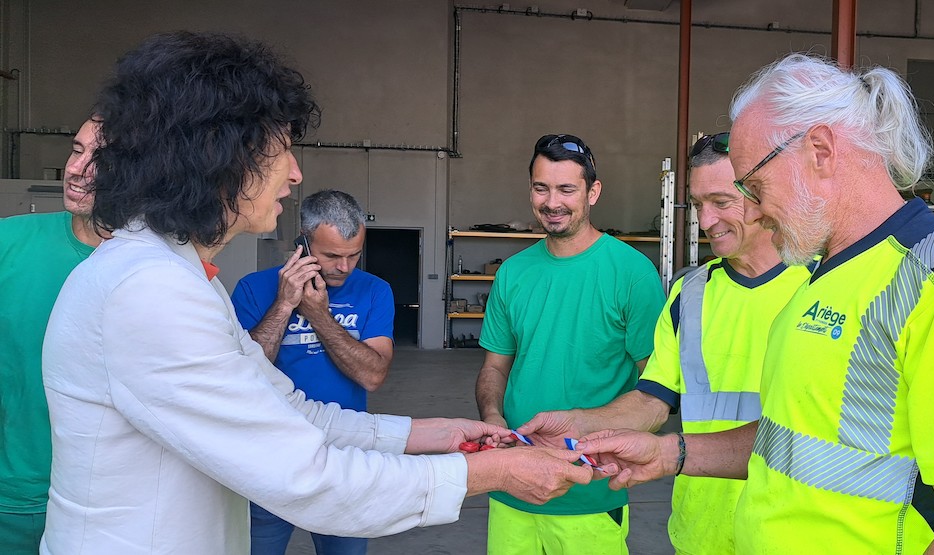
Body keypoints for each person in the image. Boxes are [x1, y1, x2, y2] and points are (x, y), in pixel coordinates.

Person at [40, 31, 593, 555]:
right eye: (284, 150)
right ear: (223, 160)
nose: (296, 173)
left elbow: (297, 415)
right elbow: (306, 477)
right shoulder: (148, 291)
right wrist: (494, 473)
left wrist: (445, 434)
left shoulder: (176, 276)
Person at [576, 53, 934, 554]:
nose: (749, 211)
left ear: (819, 149)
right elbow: (788, 440)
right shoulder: (818, 279)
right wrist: (669, 453)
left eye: (753, 187)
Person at [515, 132, 809, 554]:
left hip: (793, 531)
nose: (706, 221)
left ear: (763, 194)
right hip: (702, 530)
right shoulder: (689, 295)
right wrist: (578, 424)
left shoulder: (822, 287)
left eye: (722, 202)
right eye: (698, 203)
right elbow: (653, 400)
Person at [475, 133, 666, 554]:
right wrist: (493, 418)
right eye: (541, 188)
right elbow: (494, 367)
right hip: (513, 485)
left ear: (593, 192)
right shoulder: (513, 273)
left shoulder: (632, 274)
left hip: (590, 495)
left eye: (566, 189)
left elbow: (655, 391)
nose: (552, 202)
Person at [232, 189, 394, 555]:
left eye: (354, 255)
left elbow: (373, 375)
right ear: (303, 243)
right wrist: (286, 303)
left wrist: (319, 315)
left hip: (344, 457)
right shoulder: (254, 289)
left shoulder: (374, 291)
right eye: (332, 255)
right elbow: (243, 375)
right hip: (271, 458)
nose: (345, 267)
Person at [0, 118, 103, 554]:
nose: (77, 168)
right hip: (13, 495)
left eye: (102, 160)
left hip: (106, 508)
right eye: (76, 150)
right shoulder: (9, 239)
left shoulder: (162, 270)